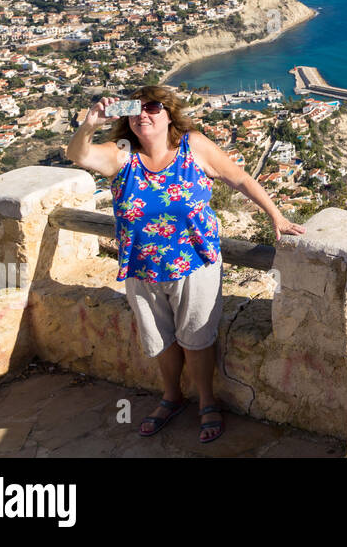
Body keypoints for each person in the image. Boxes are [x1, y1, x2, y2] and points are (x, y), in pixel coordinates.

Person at [65, 84, 305, 443]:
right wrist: (90, 124)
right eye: (136, 109)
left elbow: (238, 177)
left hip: (194, 262)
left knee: (196, 337)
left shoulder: (192, 146)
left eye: (153, 107)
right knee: (159, 339)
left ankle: (207, 401)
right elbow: (78, 155)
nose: (143, 114)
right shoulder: (122, 154)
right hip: (142, 267)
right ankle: (171, 397)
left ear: (169, 114)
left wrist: (276, 217)